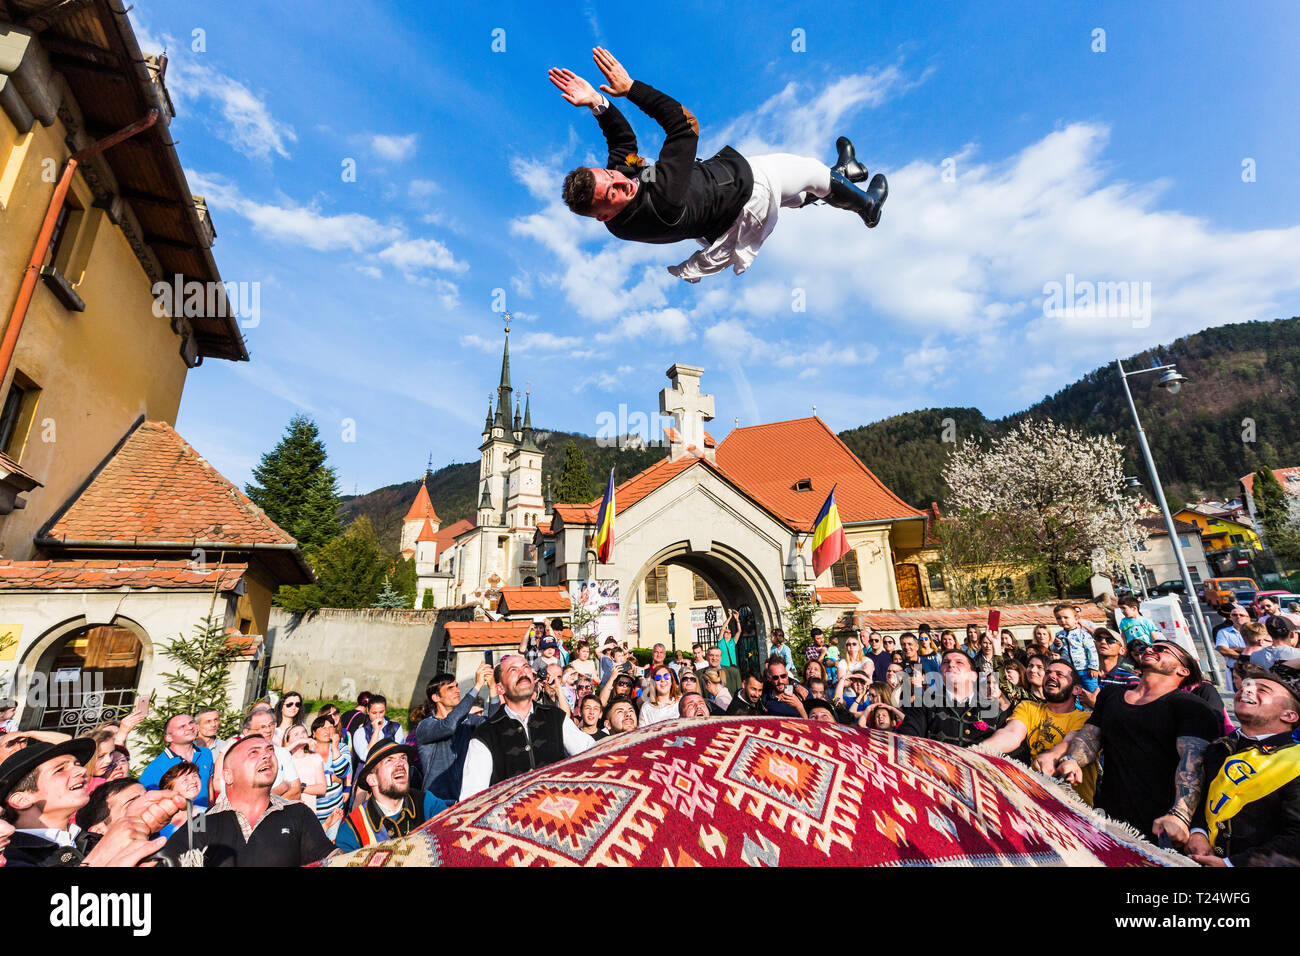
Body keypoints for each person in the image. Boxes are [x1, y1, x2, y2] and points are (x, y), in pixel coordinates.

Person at [551, 49, 887, 286]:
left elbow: (623, 146)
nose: (621, 181)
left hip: (721, 208)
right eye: (612, 191)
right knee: (810, 172)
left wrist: (597, 103)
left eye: (611, 175)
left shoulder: (619, 204)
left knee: (797, 192)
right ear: (604, 216)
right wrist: (632, 89)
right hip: (743, 196)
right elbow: (685, 126)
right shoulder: (662, 201)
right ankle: (867, 206)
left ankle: (843, 177)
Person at [1047, 641, 1222, 842]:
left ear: (1183, 670)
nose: (1149, 649)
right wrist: (1072, 759)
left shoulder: (1192, 707)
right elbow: (1091, 737)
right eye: (1148, 647)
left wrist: (1181, 815)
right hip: (1108, 817)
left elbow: (1193, 766)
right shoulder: (1111, 696)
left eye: (1161, 650)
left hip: (1160, 825)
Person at [1187, 662, 1300, 867]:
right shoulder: (1219, 747)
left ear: (1289, 715)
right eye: (1243, 687)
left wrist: (1231, 863)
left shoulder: (1296, 760)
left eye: (1262, 690)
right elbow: (1201, 800)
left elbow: (1296, 837)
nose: (1245, 690)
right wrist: (1198, 833)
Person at [163, 734, 335, 867]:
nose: (267, 755)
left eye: (270, 750)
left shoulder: (298, 812)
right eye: (254, 752)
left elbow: (327, 856)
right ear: (228, 776)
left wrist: (357, 858)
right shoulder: (202, 822)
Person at [459, 655, 596, 800]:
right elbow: (471, 798)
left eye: (526, 667)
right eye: (513, 670)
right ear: (500, 688)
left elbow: (592, 754)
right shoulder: (485, 734)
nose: (523, 673)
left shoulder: (556, 718)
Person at [983, 662, 1098, 804]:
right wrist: (979, 750)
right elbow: (1012, 733)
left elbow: (1072, 741)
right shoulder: (1028, 707)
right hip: (1035, 802)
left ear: (1076, 689)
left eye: (1059, 674)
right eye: (1048, 673)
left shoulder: (1086, 718)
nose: (1051, 676)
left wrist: (1052, 756)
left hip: (1074, 807)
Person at [335, 739, 450, 853]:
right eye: (389, 760)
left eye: (403, 758)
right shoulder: (352, 829)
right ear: (372, 779)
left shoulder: (427, 803)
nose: (401, 763)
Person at [0, 736, 96, 865]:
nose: (82, 770)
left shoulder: (94, 840)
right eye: (60, 770)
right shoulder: (9, 856)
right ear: (21, 800)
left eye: (77, 764)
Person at [416, 665, 496, 802]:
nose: (457, 690)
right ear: (435, 697)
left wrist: (493, 689)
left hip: (465, 799)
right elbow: (449, 726)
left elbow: (493, 727)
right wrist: (477, 686)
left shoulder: (468, 721)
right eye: (450, 688)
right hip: (437, 800)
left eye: (457, 686)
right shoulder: (426, 726)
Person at [897, 650, 1002, 748]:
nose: (951, 665)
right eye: (946, 662)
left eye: (959, 662)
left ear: (973, 675)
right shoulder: (925, 702)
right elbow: (907, 736)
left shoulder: (991, 706)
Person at [139, 713, 215, 809]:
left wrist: (211, 810)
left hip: (203, 818)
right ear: (168, 737)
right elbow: (144, 800)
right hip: (177, 821)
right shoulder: (156, 767)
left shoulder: (206, 753)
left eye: (191, 723)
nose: (190, 727)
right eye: (182, 726)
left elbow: (209, 784)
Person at [308, 714, 350, 839]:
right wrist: (331, 779)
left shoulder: (342, 748)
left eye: (330, 727)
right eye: (322, 728)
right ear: (314, 733)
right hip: (314, 812)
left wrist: (335, 747)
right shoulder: (307, 752)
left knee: (330, 847)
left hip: (335, 811)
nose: (327, 731)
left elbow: (342, 772)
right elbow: (307, 780)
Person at [1052, 604, 1101, 693]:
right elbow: (1054, 650)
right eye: (1058, 618)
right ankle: (1078, 707)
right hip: (1068, 671)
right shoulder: (1059, 635)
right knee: (1073, 691)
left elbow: (1091, 651)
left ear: (1076, 619)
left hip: (1085, 669)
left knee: (1092, 690)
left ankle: (1096, 705)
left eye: (1066, 617)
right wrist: (1056, 645)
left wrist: (1093, 667)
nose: (1062, 620)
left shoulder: (1082, 634)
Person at [350, 694, 405, 767]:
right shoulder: (360, 732)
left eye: (381, 712)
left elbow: (398, 753)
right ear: (368, 711)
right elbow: (365, 756)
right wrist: (376, 731)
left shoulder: (396, 728)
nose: (378, 716)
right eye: (374, 713)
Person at [285, 724, 327, 817]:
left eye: (303, 732)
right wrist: (298, 742)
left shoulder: (315, 757)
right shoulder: (285, 759)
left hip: (309, 811)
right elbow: (279, 755)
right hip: (288, 811)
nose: (301, 736)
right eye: (296, 734)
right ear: (287, 741)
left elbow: (322, 788)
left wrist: (300, 788)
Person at [1090, 628, 1140, 703]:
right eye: (1099, 639)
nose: (1103, 642)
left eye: (1110, 640)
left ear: (1122, 650)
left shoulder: (1130, 680)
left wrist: (1094, 704)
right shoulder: (1085, 676)